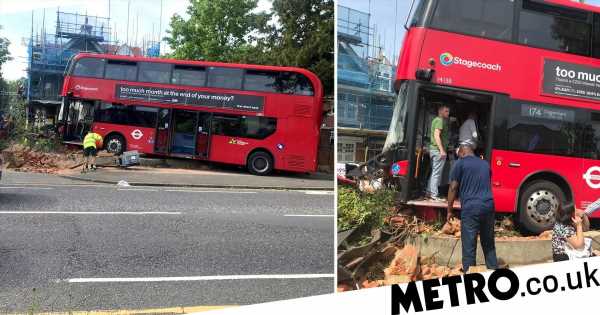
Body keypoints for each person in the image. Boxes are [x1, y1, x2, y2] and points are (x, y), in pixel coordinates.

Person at [447, 142, 498, 273]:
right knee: (488, 242)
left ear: (462, 152)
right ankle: (493, 270)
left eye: (458, 155)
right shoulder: (485, 164)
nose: (458, 157)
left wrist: (449, 210)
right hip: (488, 205)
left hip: (471, 208)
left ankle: (469, 273)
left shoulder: (460, 163)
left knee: (469, 244)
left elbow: (453, 187)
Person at [427, 105, 450, 201]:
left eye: (448, 111)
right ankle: (434, 195)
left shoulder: (436, 120)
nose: (448, 113)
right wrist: (442, 150)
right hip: (437, 150)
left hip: (433, 150)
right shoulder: (440, 121)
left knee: (434, 172)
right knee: (437, 173)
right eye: (446, 111)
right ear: (440, 111)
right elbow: (437, 136)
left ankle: (429, 191)